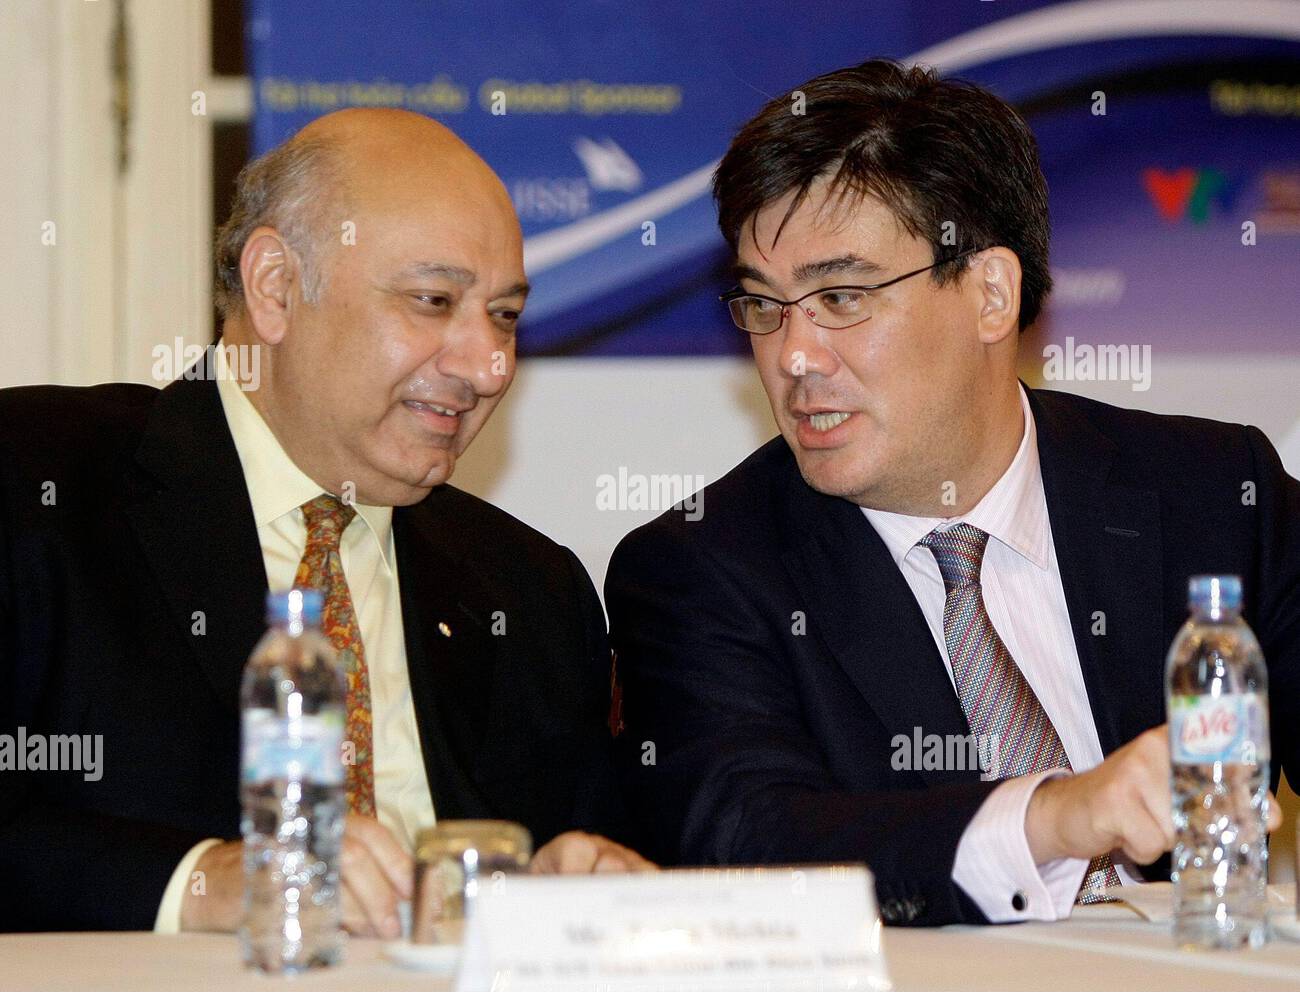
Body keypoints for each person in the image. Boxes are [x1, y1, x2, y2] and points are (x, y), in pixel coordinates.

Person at [605, 60, 1298, 926]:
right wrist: (1053, 816)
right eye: (765, 305)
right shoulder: (702, 567)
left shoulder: (1215, 493)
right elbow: (745, 840)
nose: (794, 356)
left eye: (842, 295)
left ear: (991, 293)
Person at [0, 108, 649, 936]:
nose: (488, 365)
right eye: (434, 299)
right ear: (275, 286)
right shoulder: (35, 488)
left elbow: (582, 858)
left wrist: (568, 882)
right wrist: (210, 883)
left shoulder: (530, 591)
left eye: (506, 316)